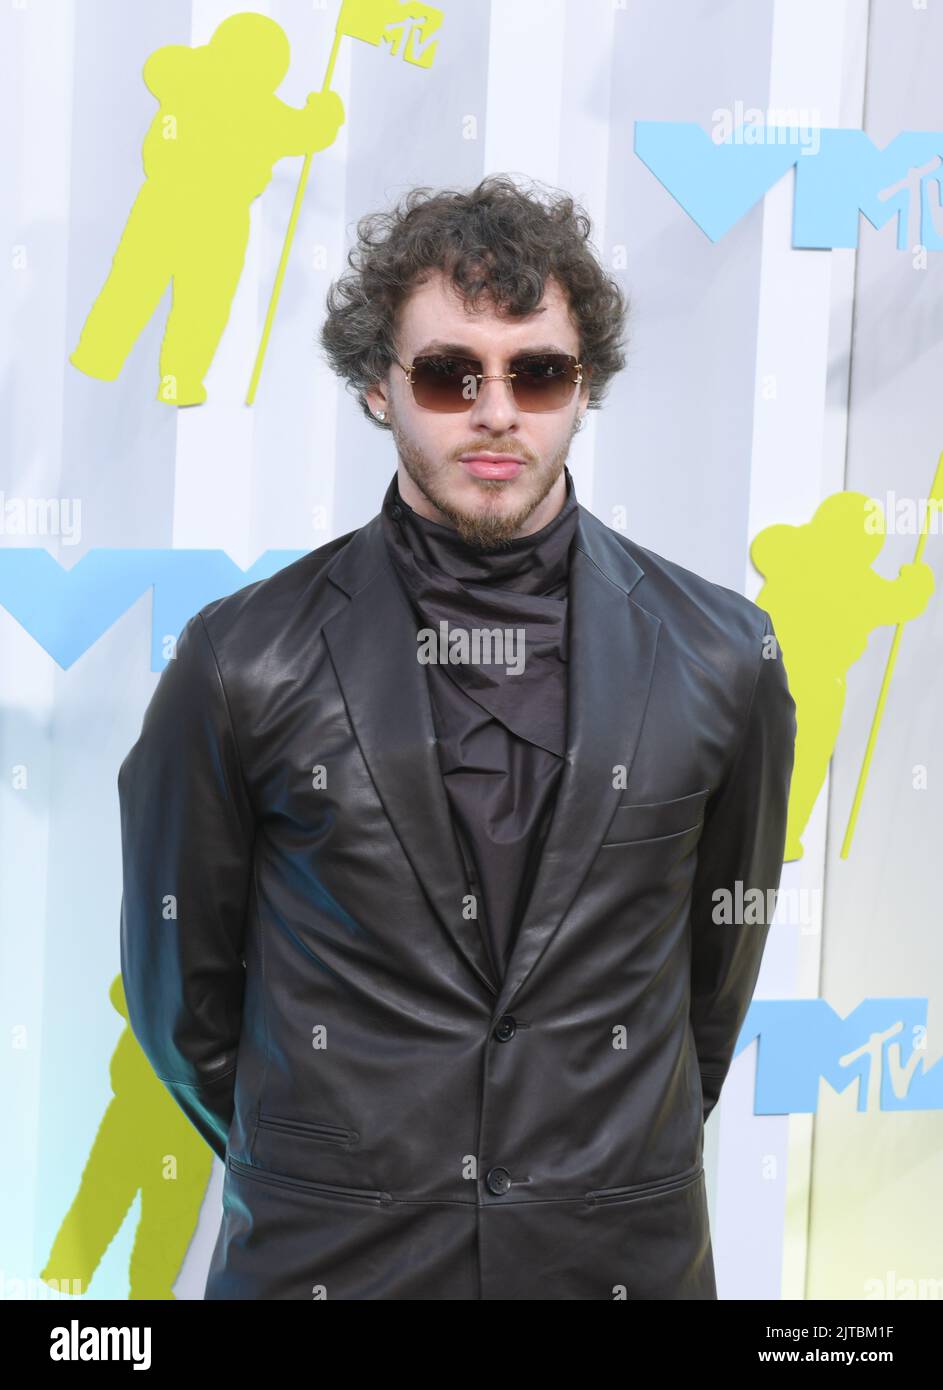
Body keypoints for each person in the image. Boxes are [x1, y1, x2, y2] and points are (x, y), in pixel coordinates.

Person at [118, 174, 797, 1300]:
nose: (495, 410)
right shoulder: (241, 657)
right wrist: (327, 1157)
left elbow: (709, 991)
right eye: (449, 373)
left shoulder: (723, 654)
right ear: (380, 389)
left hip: (616, 1262)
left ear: (583, 388)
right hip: (330, 1262)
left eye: (537, 372)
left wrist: (600, 1149)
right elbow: (179, 1000)